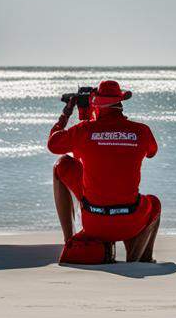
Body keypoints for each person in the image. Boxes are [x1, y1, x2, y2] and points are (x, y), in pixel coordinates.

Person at [48, 80, 161, 263]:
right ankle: (140, 260)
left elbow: (53, 144)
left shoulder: (85, 130)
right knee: (153, 203)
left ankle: (70, 240)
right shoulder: (141, 131)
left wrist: (66, 113)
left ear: (96, 103)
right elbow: (151, 152)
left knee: (62, 165)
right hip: (129, 222)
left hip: (94, 223)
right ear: (121, 103)